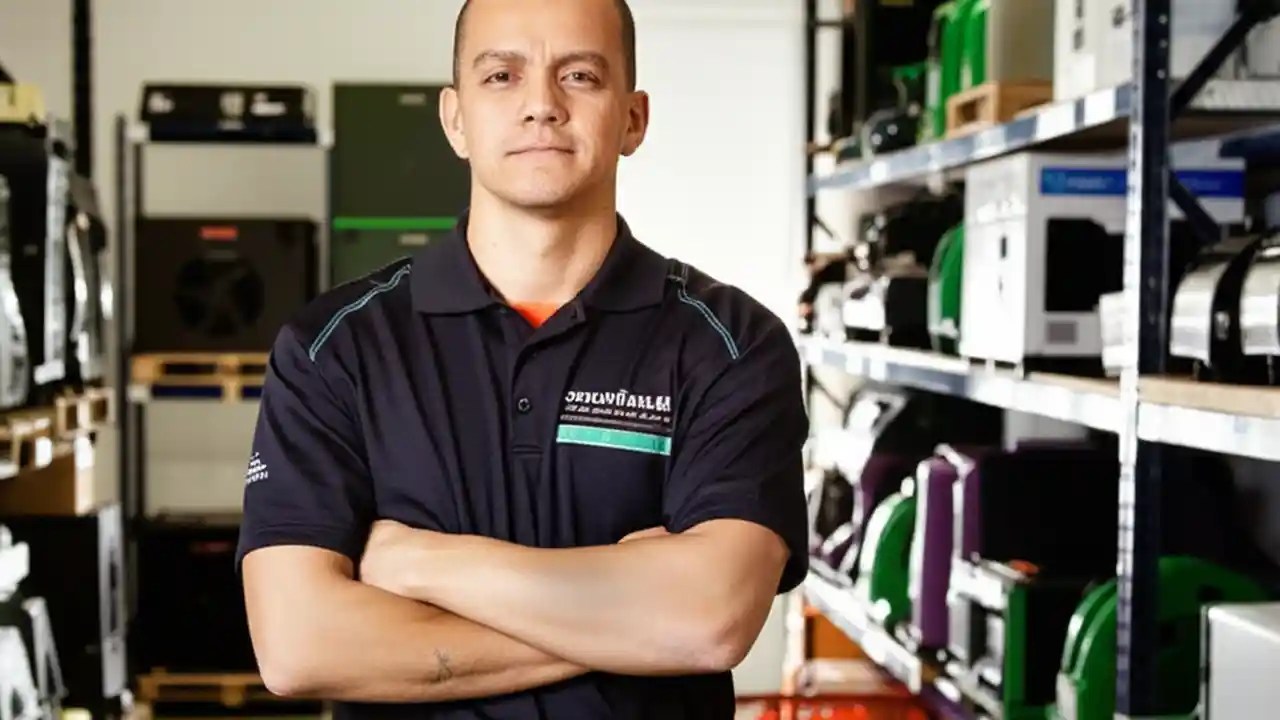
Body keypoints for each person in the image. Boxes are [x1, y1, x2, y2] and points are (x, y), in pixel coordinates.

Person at [236, 0, 810, 717]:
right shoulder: (334, 348)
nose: (541, 105)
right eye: (502, 75)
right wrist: (635, 620)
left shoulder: (730, 345)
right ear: (455, 119)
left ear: (633, 118)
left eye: (579, 75)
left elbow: (711, 619)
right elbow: (299, 647)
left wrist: (420, 564)